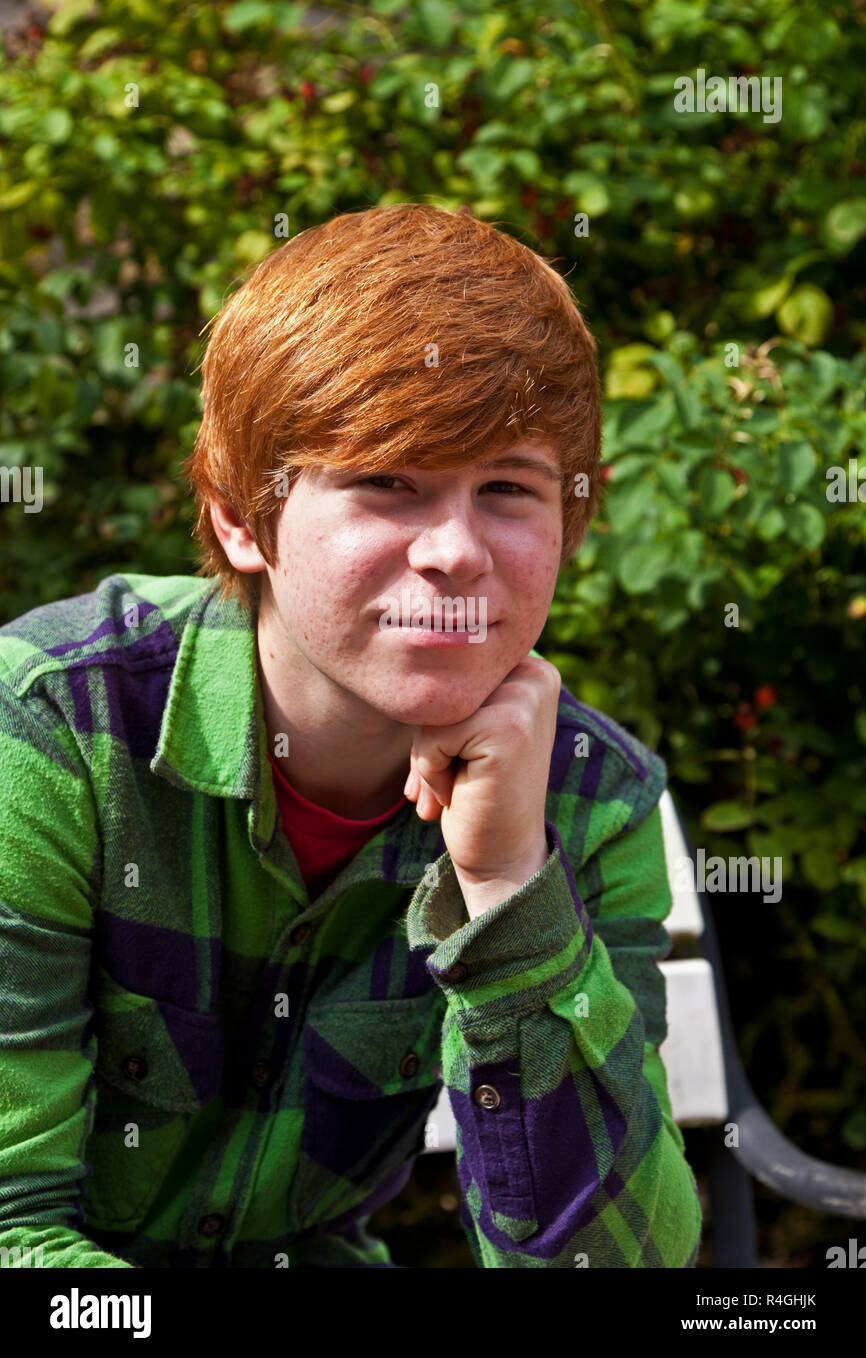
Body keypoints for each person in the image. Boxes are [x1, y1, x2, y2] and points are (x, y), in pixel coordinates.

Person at [0, 202, 702, 1268]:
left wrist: (511, 892)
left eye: (506, 489)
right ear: (243, 515)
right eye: (388, 484)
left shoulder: (585, 801)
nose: (455, 552)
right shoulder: (54, 730)